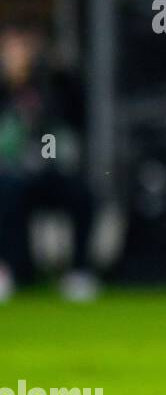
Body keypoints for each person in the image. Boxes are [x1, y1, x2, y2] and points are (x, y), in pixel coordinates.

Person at [0, 21, 99, 301]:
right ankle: (10, 268)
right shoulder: (4, 88)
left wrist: (56, 71)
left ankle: (79, 271)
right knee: (6, 192)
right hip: (12, 175)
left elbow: (78, 114)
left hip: (51, 172)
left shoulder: (54, 82)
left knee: (82, 193)